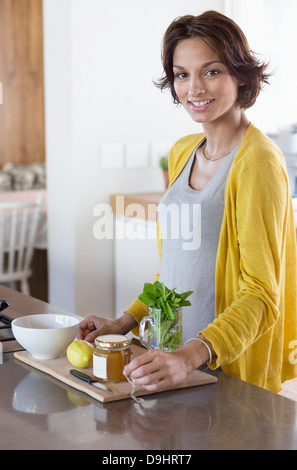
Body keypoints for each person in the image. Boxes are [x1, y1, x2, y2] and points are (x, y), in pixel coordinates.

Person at [78, 10, 297, 393]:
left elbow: (262, 294)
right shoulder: (183, 152)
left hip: (222, 368)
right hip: (169, 363)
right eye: (182, 74)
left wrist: (191, 356)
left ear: (241, 75)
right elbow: (174, 272)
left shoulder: (257, 162)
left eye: (211, 71)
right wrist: (124, 323)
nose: (194, 88)